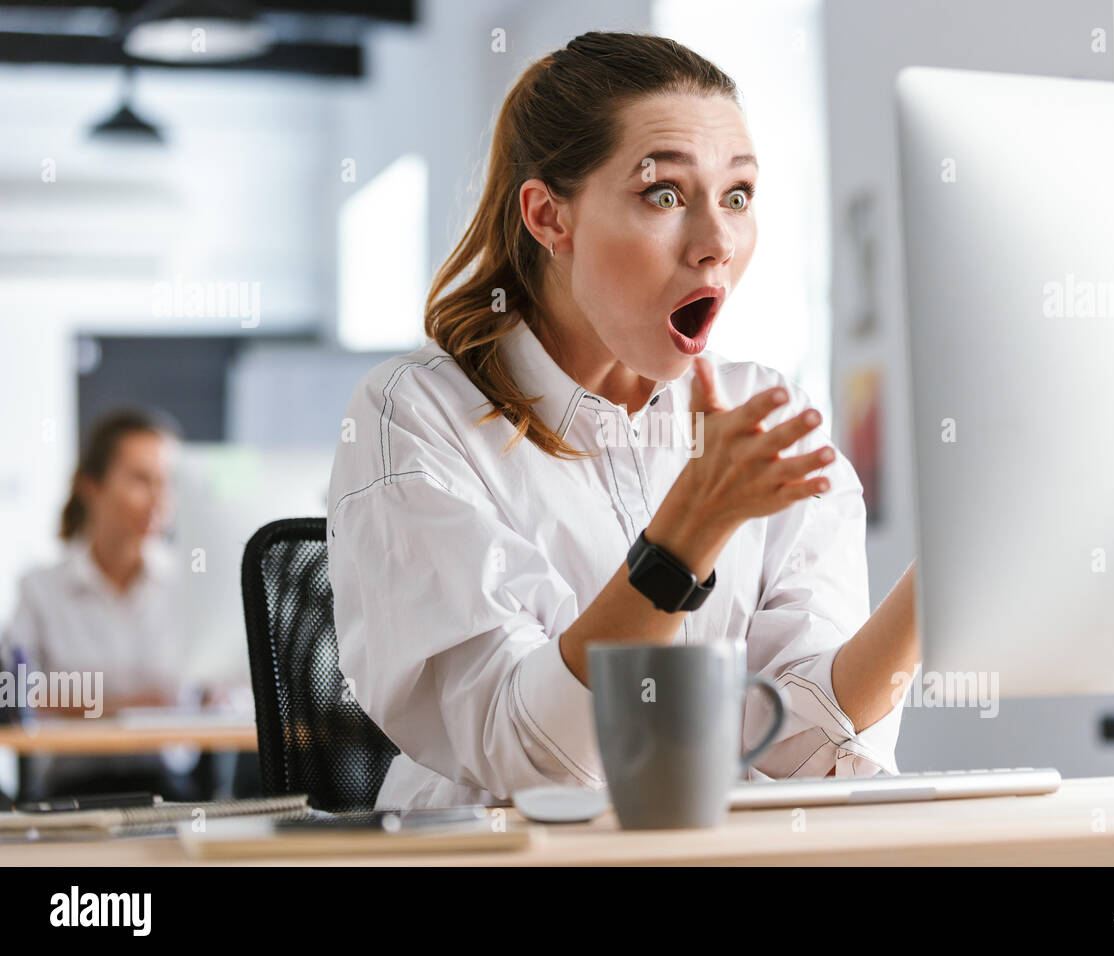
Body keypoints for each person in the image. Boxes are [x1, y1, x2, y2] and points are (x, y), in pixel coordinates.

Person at [327, 31, 920, 811]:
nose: (717, 244)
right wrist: (685, 539)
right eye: (664, 195)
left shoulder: (762, 416)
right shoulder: (416, 414)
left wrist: (947, 573)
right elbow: (527, 753)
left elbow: (803, 747)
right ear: (549, 218)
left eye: (738, 196)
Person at [1, 407, 201, 799]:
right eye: (141, 480)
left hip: (170, 790)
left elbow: (222, 687)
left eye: (167, 482)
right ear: (91, 486)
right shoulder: (42, 588)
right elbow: (13, 690)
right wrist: (123, 704)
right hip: (69, 787)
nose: (160, 499)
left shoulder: (189, 586)